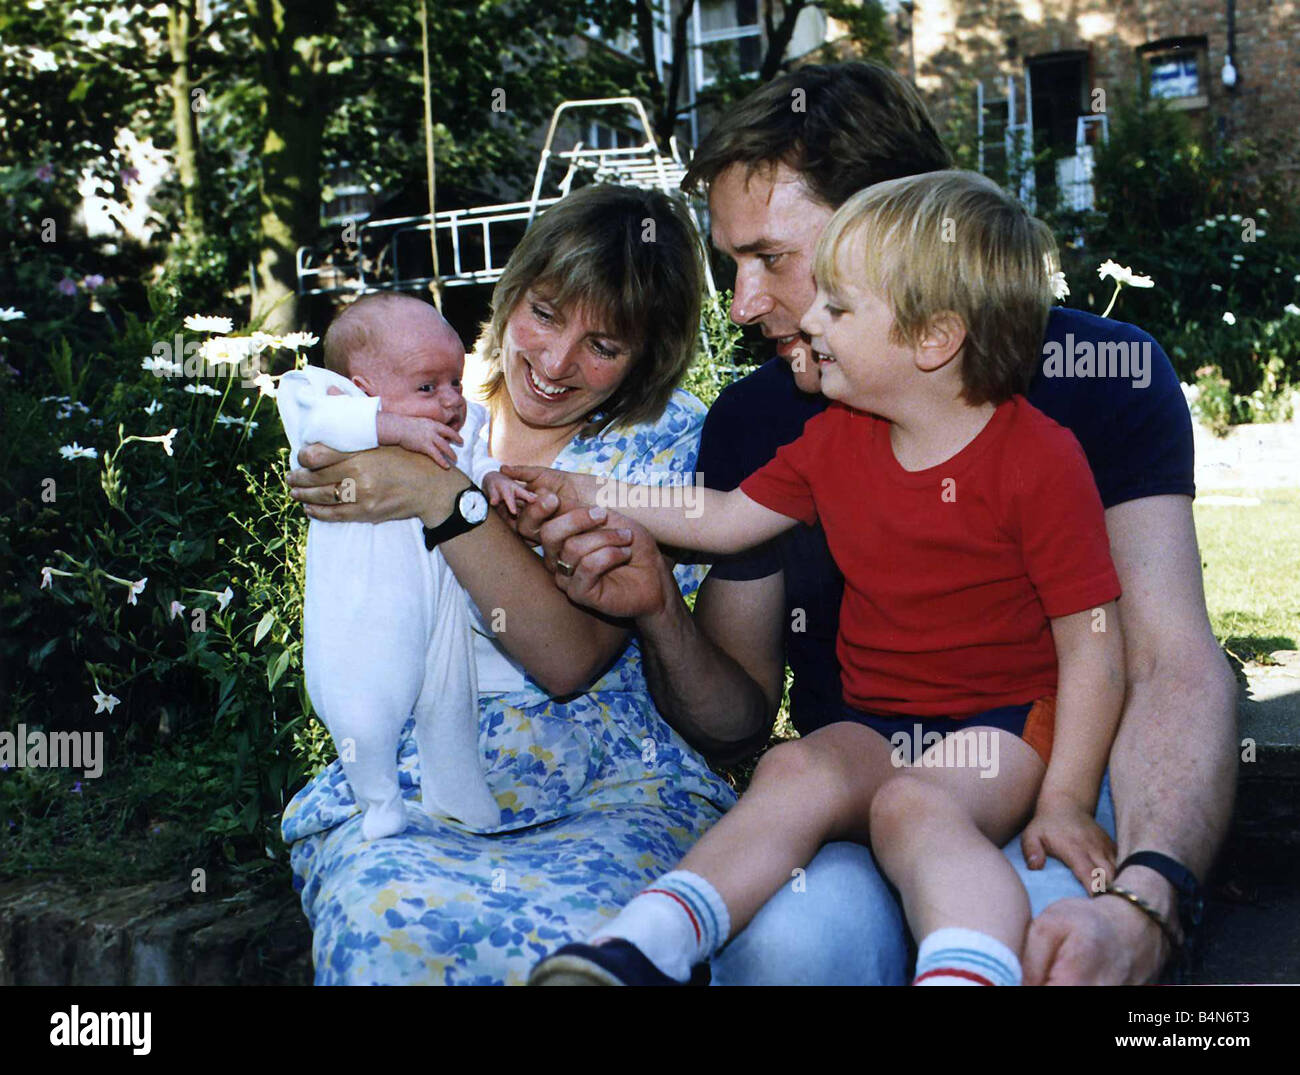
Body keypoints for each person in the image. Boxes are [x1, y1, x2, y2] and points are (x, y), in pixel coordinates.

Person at [514, 62, 1237, 985]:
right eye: (730, 261)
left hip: (1042, 756)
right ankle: (643, 946)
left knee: (1058, 941)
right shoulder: (771, 419)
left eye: (771, 258)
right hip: (858, 764)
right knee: (787, 951)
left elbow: (1167, 657)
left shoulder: (1095, 388)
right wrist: (650, 598)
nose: (742, 305)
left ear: (889, 228)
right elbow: (737, 713)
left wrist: (1146, 892)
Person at [280, 183, 739, 985]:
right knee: (382, 928)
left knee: (570, 951)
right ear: (512, 291)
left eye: (605, 344)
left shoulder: (660, 445)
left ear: (650, 354)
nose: (556, 363)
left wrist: (442, 499)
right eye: (546, 313)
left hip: (609, 779)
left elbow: (568, 662)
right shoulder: (420, 397)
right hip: (416, 772)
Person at [277, 294, 528, 841]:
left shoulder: (449, 422)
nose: (450, 401)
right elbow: (315, 423)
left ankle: (456, 790)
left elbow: (471, 461)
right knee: (365, 701)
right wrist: (394, 428)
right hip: (364, 598)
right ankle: (379, 796)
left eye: (456, 382)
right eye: (427, 386)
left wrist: (491, 479)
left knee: (450, 700)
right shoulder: (327, 400)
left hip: (441, 593)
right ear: (364, 387)